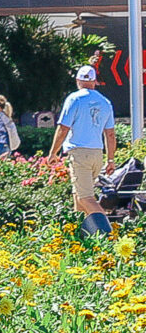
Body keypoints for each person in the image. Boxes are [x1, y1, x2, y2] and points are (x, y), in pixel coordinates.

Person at [48, 64, 117, 237]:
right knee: (78, 198)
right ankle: (81, 238)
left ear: (78, 80)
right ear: (94, 81)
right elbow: (110, 135)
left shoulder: (74, 99)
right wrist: (110, 160)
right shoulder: (105, 102)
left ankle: (108, 235)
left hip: (79, 153)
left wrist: (53, 153)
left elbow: (63, 128)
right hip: (97, 154)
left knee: (85, 198)